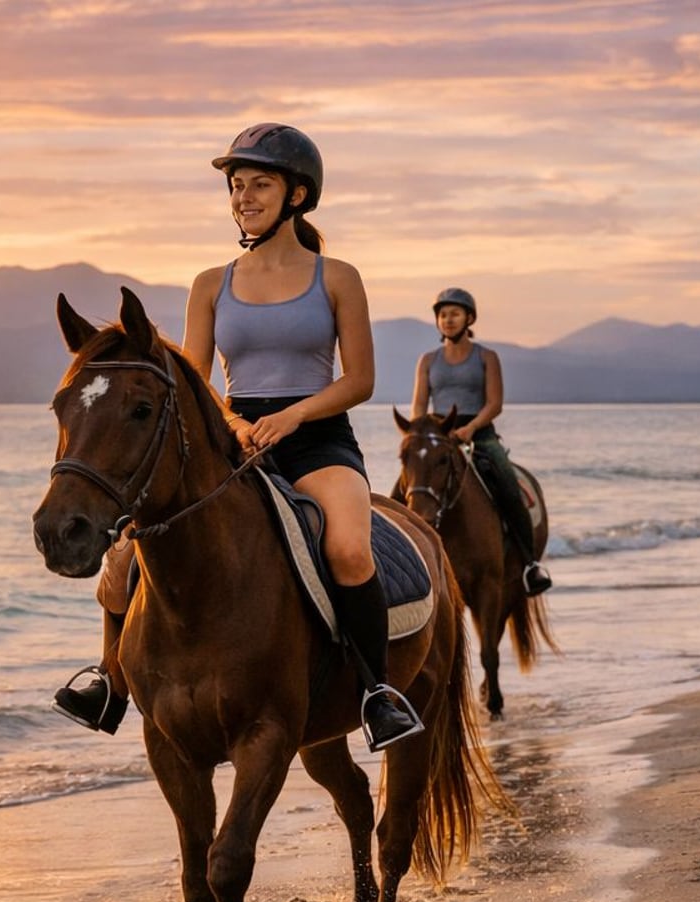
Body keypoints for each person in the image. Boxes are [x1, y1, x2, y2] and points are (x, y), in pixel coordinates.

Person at [54, 121, 425, 752]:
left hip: (318, 440)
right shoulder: (210, 283)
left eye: (259, 185)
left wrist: (291, 417)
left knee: (349, 551)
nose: (244, 197)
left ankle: (376, 693)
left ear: (298, 196)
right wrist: (232, 423)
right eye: (236, 187)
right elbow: (196, 381)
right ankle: (110, 681)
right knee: (124, 558)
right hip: (234, 438)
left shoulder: (337, 277)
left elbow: (359, 379)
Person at [409, 287, 553, 596]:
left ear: (469, 318)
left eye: (455, 314)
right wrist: (422, 432)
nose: (448, 320)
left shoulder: (486, 357)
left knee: (507, 485)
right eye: (443, 315)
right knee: (408, 487)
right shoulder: (427, 360)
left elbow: (495, 403)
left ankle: (529, 564)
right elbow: (419, 405)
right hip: (438, 435)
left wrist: (471, 428)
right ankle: (397, 557)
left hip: (480, 433)